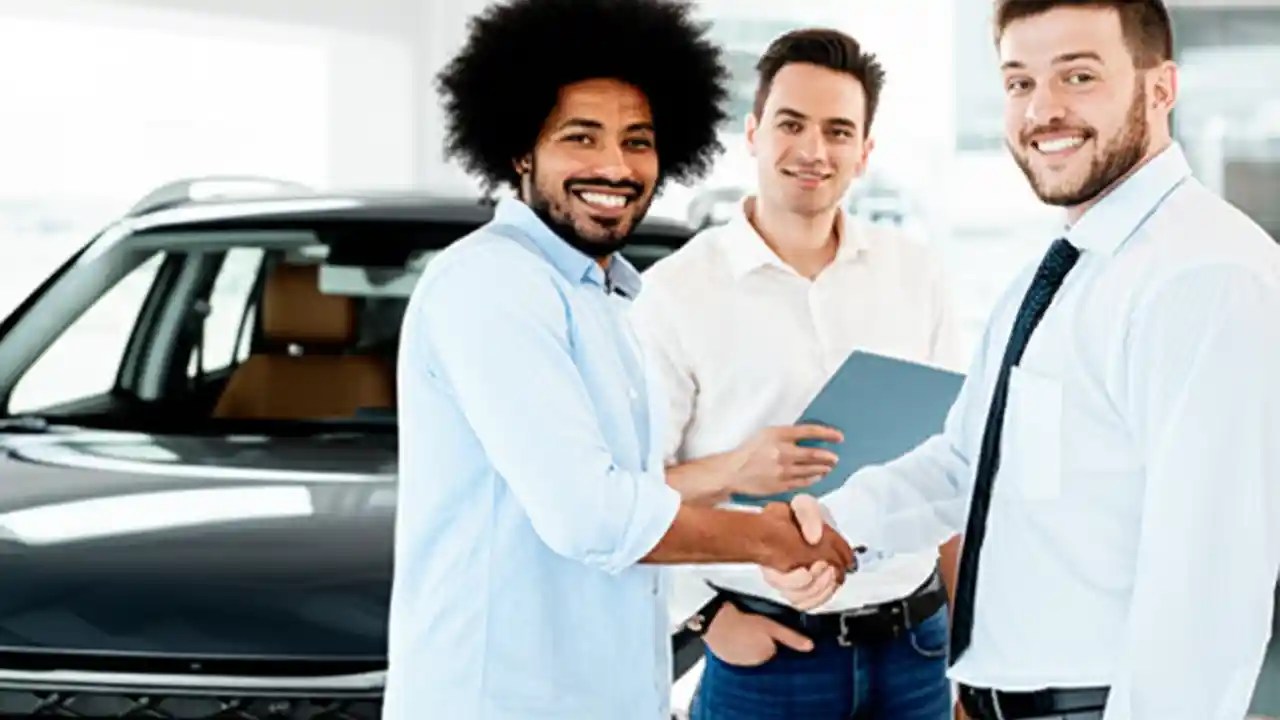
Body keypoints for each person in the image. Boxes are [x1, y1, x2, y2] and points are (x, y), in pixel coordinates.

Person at [770, 1, 1280, 719]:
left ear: (1160, 88)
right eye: (1018, 83)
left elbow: (1211, 579)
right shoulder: (1060, 271)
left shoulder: (1206, 276)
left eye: (1077, 76)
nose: (1043, 110)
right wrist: (833, 527)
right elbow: (968, 463)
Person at [383, 1, 855, 719]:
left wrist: (736, 476)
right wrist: (768, 538)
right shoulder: (493, 283)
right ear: (520, 150)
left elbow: (626, 488)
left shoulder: (609, 298)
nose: (614, 165)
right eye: (582, 137)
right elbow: (594, 516)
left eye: (638, 141)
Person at [630, 28, 964, 720]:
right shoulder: (676, 292)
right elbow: (633, 492)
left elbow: (954, 455)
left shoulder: (916, 275)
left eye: (839, 131)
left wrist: (968, 637)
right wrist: (706, 621)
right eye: (791, 124)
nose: (814, 151)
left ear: (865, 153)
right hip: (768, 656)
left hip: (917, 649)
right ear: (752, 133)